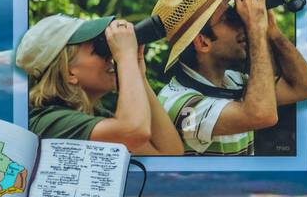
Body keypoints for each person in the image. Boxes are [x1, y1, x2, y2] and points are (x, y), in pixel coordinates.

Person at [153, 0, 307, 156]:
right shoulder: (178, 103)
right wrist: (255, 28)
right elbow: (262, 115)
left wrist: (272, 31)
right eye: (229, 18)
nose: (240, 24)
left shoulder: (232, 81)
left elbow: (305, 88)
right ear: (203, 43)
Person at [18, 14, 184, 155]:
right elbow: (134, 131)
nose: (111, 57)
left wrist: (138, 74)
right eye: (99, 49)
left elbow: (169, 153)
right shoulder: (49, 122)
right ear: (69, 72)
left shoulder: (93, 117)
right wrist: (125, 57)